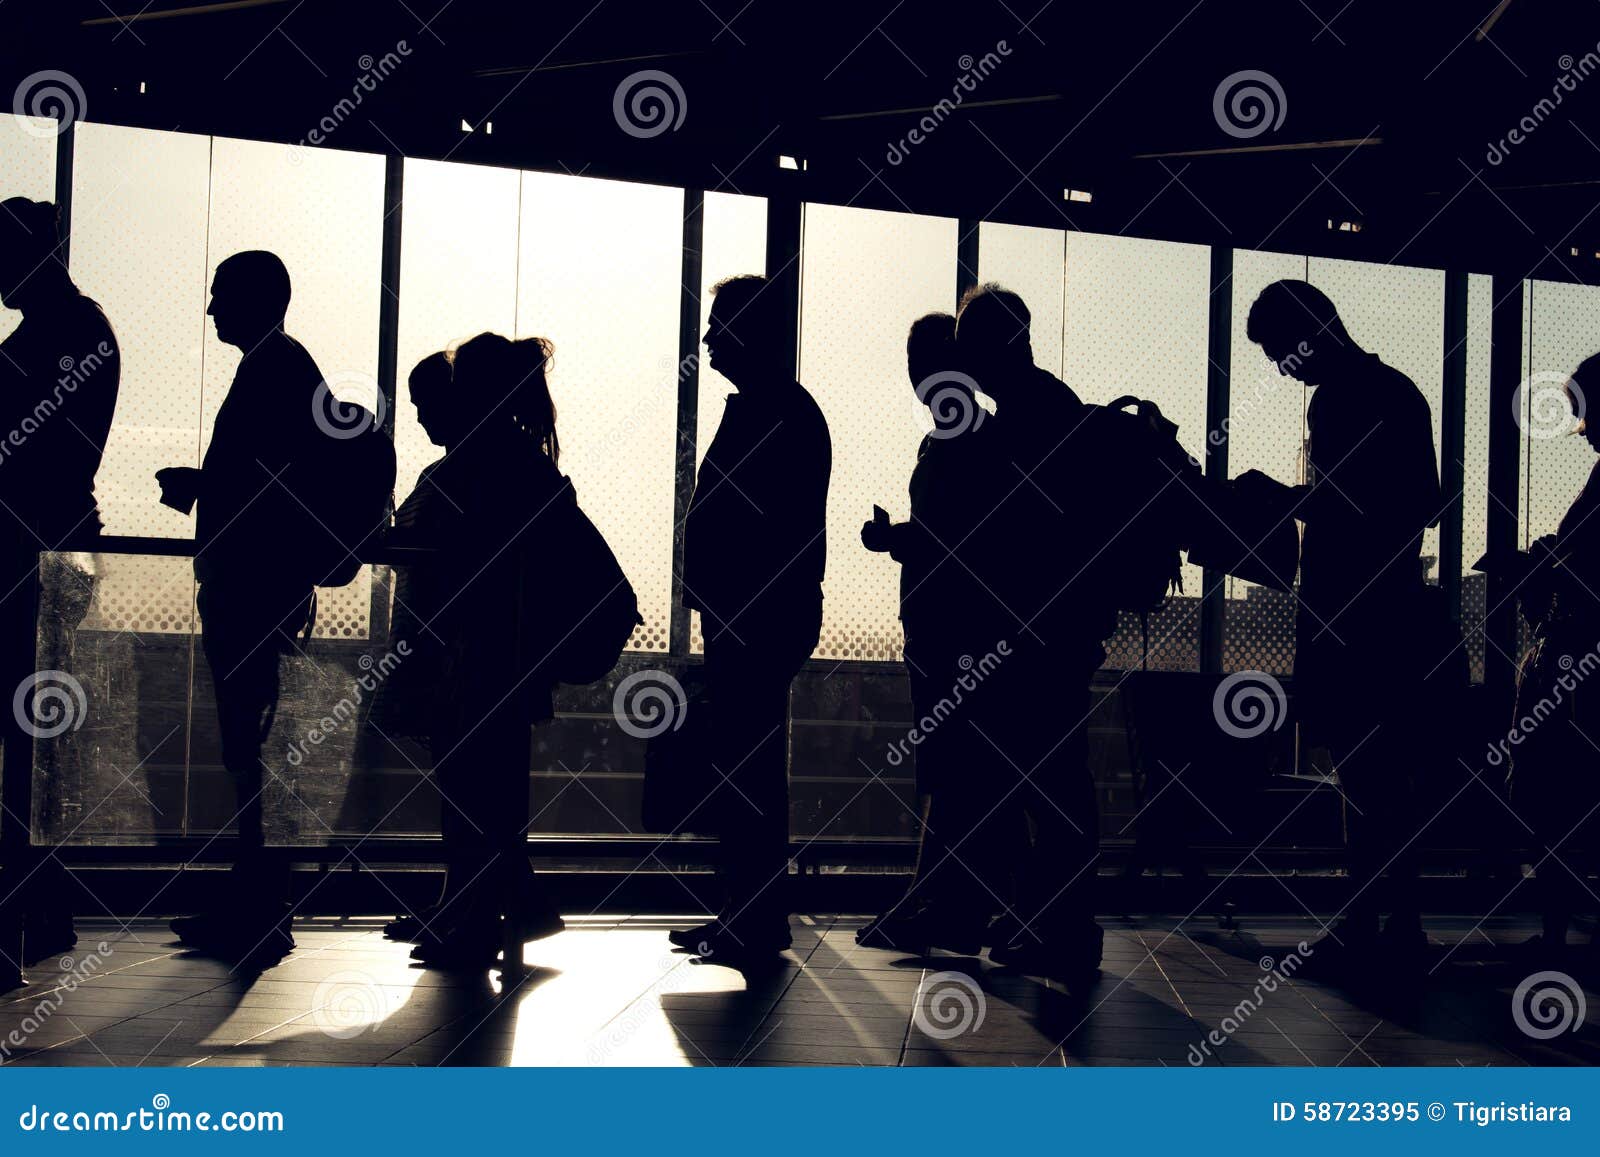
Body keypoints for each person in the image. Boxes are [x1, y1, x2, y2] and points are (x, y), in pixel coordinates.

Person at [1238, 278, 1443, 969]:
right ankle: (1395, 923)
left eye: (1277, 352)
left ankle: (1365, 923)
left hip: (1351, 614)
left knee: (1364, 772)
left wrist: (1293, 500)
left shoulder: (1340, 403)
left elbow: (1363, 505)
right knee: (1384, 773)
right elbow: (1417, 501)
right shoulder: (1396, 394)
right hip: (1387, 610)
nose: (1280, 369)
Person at [942, 282, 1117, 982]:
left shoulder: (1023, 419)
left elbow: (1011, 534)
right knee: (1054, 776)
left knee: (1047, 778)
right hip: (1057, 627)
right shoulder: (1052, 407)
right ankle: (1058, 923)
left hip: (1032, 630)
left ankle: (1058, 923)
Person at [156, 251, 325, 965]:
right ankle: (255, 897)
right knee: (255, 747)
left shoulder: (272, 368)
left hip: (250, 587)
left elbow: (268, 477)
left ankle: (259, 903)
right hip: (265, 584)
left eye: (221, 294)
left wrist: (209, 485)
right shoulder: (284, 366)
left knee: (251, 746)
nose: (212, 308)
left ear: (255, 299)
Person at [387, 335, 566, 969]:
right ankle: (490, 908)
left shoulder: (478, 468)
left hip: (473, 655)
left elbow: (437, 549)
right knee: (486, 790)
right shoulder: (516, 461)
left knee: (469, 792)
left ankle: (474, 918)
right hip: (498, 654)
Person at [670, 274, 831, 962]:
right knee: (749, 763)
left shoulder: (774, 414)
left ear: (750, 332)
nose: (707, 338)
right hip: (753, 613)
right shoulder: (781, 410)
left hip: (751, 616)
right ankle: (748, 909)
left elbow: (758, 527)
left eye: (719, 325)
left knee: (749, 765)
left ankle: (752, 912)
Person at [856, 312, 1007, 954]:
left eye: (921, 358)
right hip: (953, 627)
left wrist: (898, 540)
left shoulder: (958, 440)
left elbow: (964, 540)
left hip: (951, 630)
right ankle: (944, 901)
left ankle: (944, 904)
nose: (916, 372)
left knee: (952, 770)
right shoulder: (963, 434)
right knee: (957, 769)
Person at [0, 197, 121, 965]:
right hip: (51, 545)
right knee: (31, 736)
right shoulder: (79, 332)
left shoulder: (55, 337)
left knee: (26, 738)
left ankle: (37, 902)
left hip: (32, 553)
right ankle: (39, 903)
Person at [1482, 354, 1600, 961]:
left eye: (1586, 414)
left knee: (1552, 789)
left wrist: (1540, 568)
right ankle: (1561, 927)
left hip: (1575, 652)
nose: (1584, 429)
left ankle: (1557, 927)